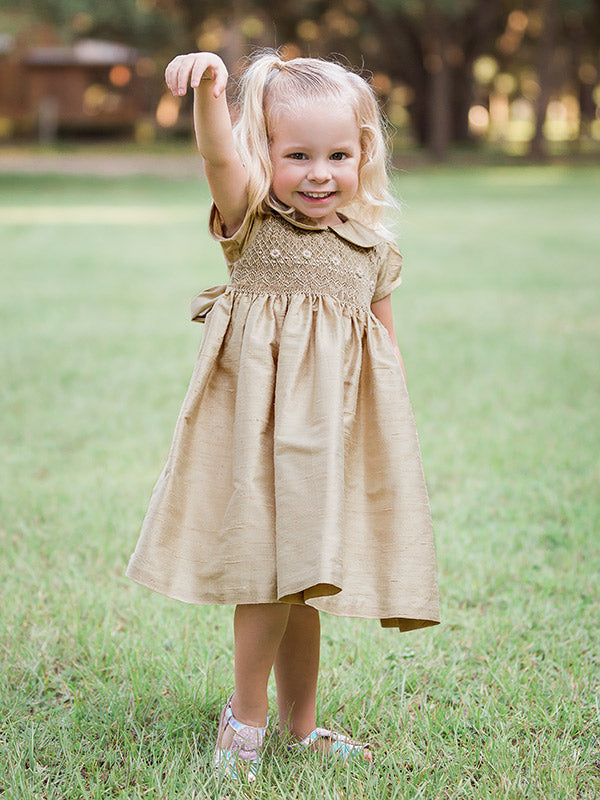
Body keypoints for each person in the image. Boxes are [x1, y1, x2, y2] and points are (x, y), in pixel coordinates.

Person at [126, 49, 440, 782]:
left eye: (339, 154)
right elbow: (214, 158)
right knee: (266, 579)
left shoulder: (373, 251)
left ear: (366, 154)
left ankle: (301, 728)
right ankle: (245, 719)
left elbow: (385, 354)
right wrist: (211, 90)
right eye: (297, 154)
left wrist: (388, 441)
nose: (320, 172)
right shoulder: (255, 221)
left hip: (327, 442)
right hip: (258, 436)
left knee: (306, 587)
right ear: (263, 153)